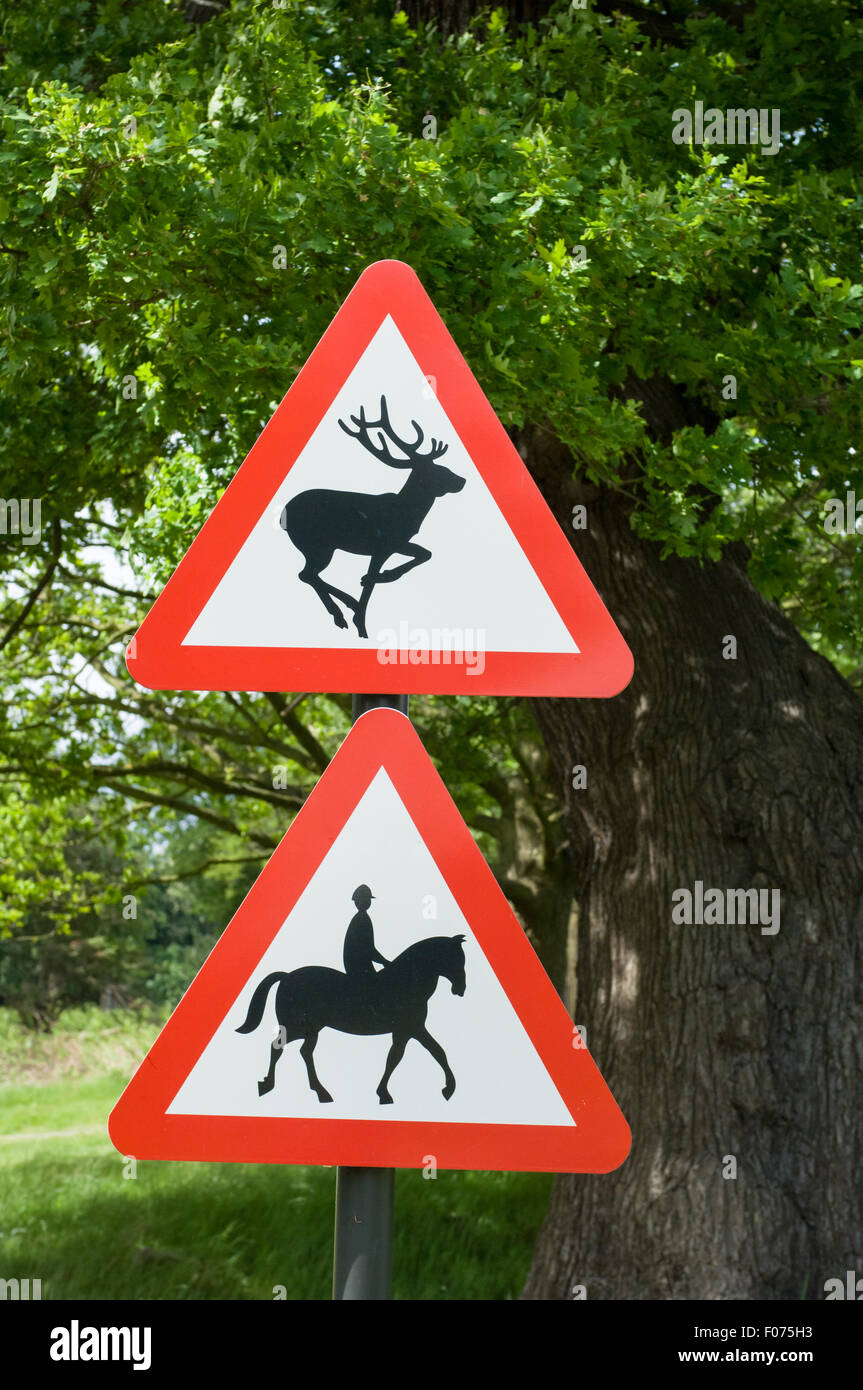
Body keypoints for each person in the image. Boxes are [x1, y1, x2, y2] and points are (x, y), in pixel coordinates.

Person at [343, 884, 389, 976]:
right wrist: (385, 962)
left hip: (356, 964)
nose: (367, 901)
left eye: (368, 899)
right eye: (365, 899)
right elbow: (368, 949)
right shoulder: (362, 919)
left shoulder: (361, 918)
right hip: (359, 966)